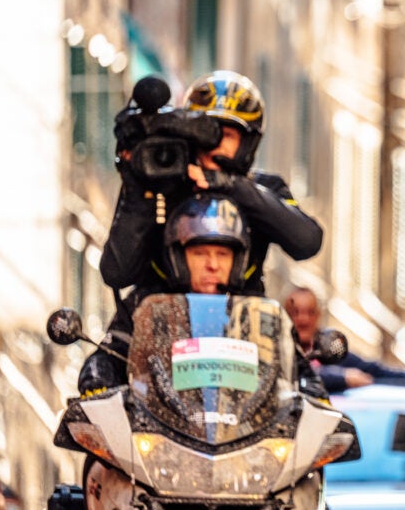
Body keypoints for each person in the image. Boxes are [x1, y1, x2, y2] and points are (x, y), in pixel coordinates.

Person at [93, 71, 322, 378]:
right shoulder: (162, 183)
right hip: (157, 339)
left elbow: (307, 240)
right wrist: (139, 188)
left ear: (247, 143)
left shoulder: (263, 190)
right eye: (203, 132)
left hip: (244, 336)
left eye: (224, 135)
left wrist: (229, 185)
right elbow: (118, 272)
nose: (211, 144)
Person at [80, 195, 250, 393]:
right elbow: (111, 352)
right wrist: (98, 373)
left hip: (241, 422)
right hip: (155, 421)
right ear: (178, 257)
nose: (212, 265)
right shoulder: (146, 303)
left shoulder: (249, 310)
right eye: (200, 253)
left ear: (237, 261)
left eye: (222, 255)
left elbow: (278, 370)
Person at [283, 287, 405, 394]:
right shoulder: (277, 351)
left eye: (310, 312)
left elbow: (379, 373)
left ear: (319, 315)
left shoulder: (329, 349)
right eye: (295, 313)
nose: (303, 320)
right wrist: (342, 377)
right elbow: (292, 375)